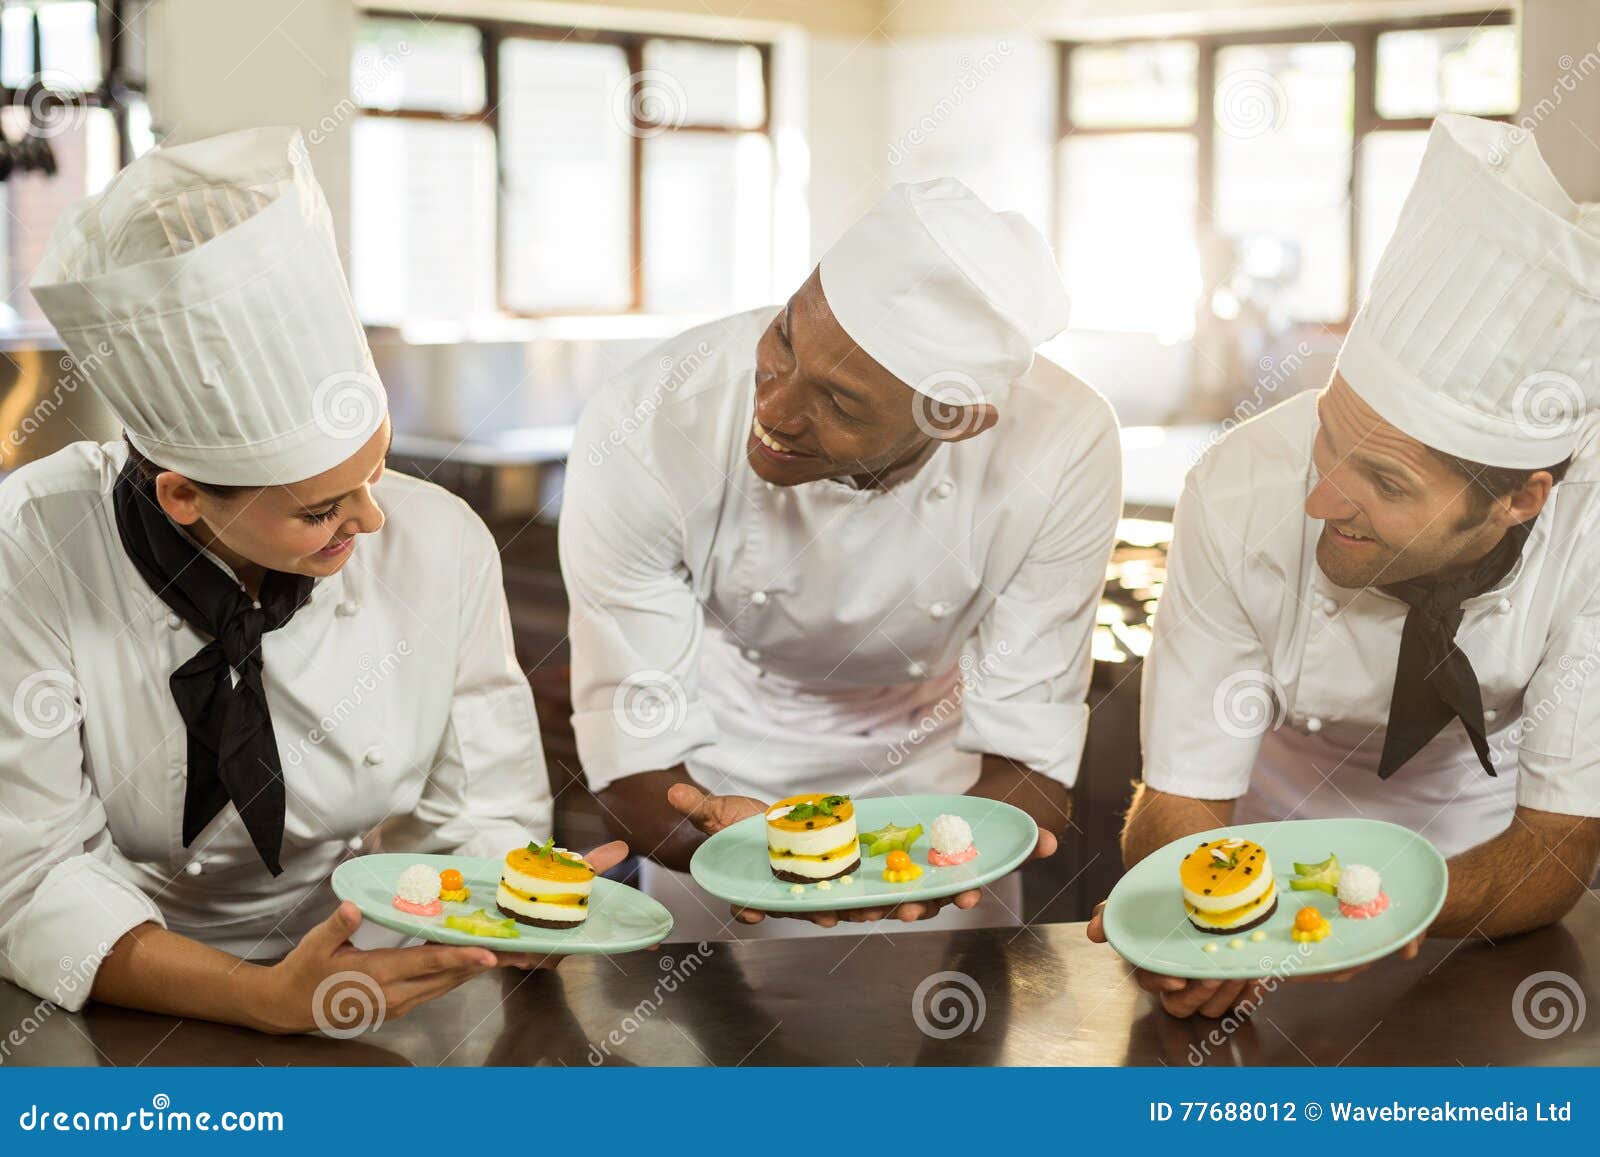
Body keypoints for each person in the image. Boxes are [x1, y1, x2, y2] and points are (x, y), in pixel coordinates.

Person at [0, 127, 613, 1033]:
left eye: (377, 470)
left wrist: (504, 902)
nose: (371, 519)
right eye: (322, 509)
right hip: (104, 987)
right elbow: (33, 870)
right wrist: (261, 998)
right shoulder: (32, 545)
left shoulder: (437, 544)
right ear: (181, 495)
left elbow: (480, 810)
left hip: (363, 957)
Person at [1087, 114, 1600, 1017]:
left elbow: (1556, 848)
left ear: (1521, 499)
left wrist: (1366, 919)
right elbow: (1182, 795)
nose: (1320, 500)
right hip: (1261, 865)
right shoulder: (1239, 485)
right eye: (1328, 441)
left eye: (1387, 482)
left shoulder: (1592, 535)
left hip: (1485, 887)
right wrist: (1206, 915)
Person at [560, 178, 1121, 939]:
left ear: (955, 420)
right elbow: (630, 742)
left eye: (841, 403)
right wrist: (731, 849)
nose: (774, 410)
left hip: (935, 808)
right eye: (785, 338)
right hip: (718, 776)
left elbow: (1028, 746)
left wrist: (942, 859)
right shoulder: (651, 421)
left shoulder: (1064, 444)